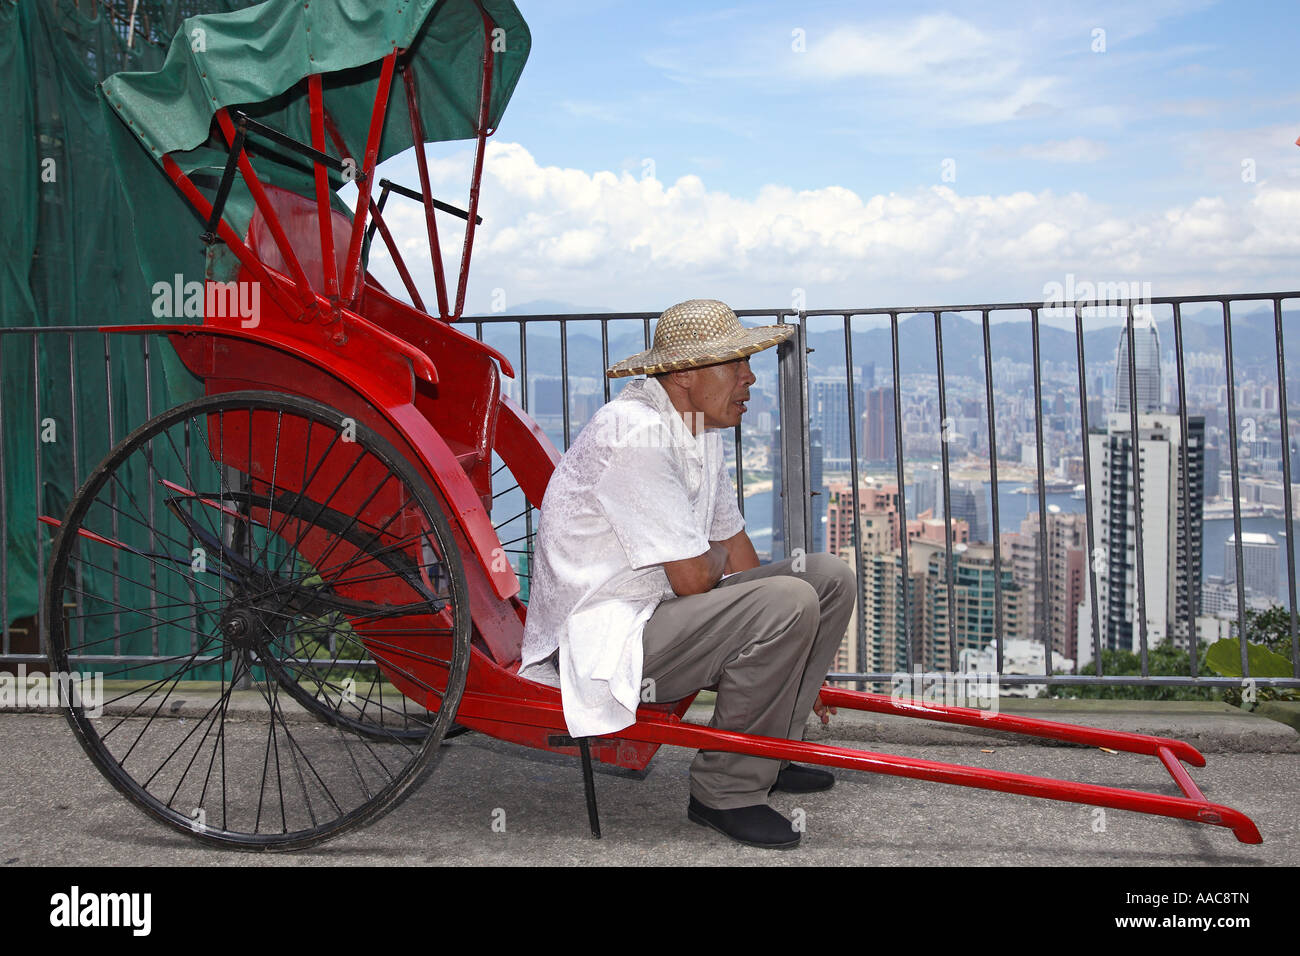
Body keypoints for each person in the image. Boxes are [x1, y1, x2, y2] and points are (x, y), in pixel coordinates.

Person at [518, 298, 856, 849]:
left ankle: (770, 750)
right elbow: (696, 578)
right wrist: (749, 591)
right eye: (735, 364)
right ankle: (726, 791)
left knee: (825, 577)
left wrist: (794, 655)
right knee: (787, 601)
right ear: (684, 375)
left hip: (658, 612)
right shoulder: (636, 434)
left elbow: (730, 545)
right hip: (604, 637)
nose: (750, 379)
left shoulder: (700, 429)